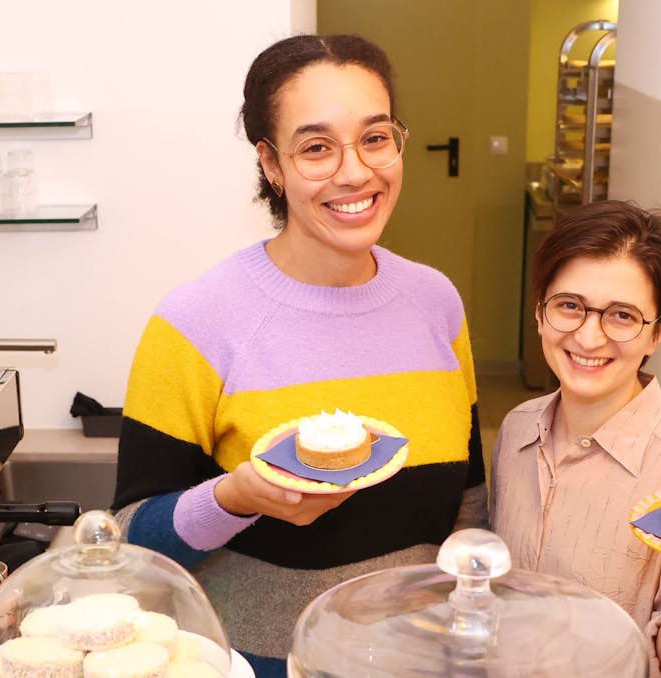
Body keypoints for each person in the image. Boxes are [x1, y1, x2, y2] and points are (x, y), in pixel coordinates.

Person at [111, 34, 486, 676]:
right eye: (316, 148)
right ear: (271, 164)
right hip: (260, 663)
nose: (355, 172)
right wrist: (235, 498)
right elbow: (128, 544)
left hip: (419, 659)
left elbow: (469, 500)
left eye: (375, 138)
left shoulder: (436, 301)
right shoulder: (197, 321)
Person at [490, 200, 661, 678]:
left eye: (622, 316)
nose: (589, 338)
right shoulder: (516, 430)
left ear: (659, 331)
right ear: (540, 311)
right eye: (570, 306)